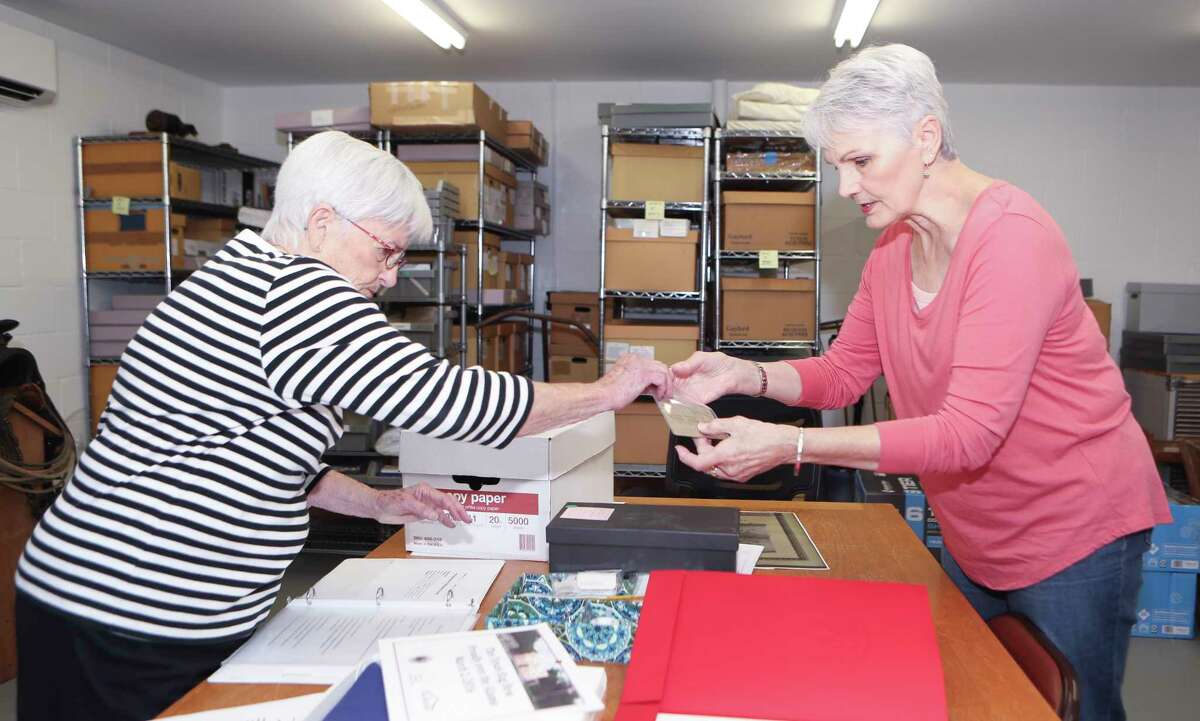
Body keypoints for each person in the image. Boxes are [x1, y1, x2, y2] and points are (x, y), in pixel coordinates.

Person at [14, 130, 671, 721]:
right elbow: (459, 404)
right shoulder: (296, 292)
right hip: (125, 612)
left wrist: (382, 500)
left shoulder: (245, 273)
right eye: (386, 251)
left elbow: (256, 451)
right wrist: (607, 392)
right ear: (323, 222)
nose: (389, 276)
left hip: (112, 605)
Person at [671, 44, 1168, 721]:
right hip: (977, 530)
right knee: (973, 696)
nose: (844, 186)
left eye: (860, 161)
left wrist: (790, 448)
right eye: (837, 165)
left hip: (1073, 529)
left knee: (1070, 711)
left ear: (925, 137)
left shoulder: (1011, 238)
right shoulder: (894, 246)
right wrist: (746, 373)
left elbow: (968, 433)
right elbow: (844, 373)